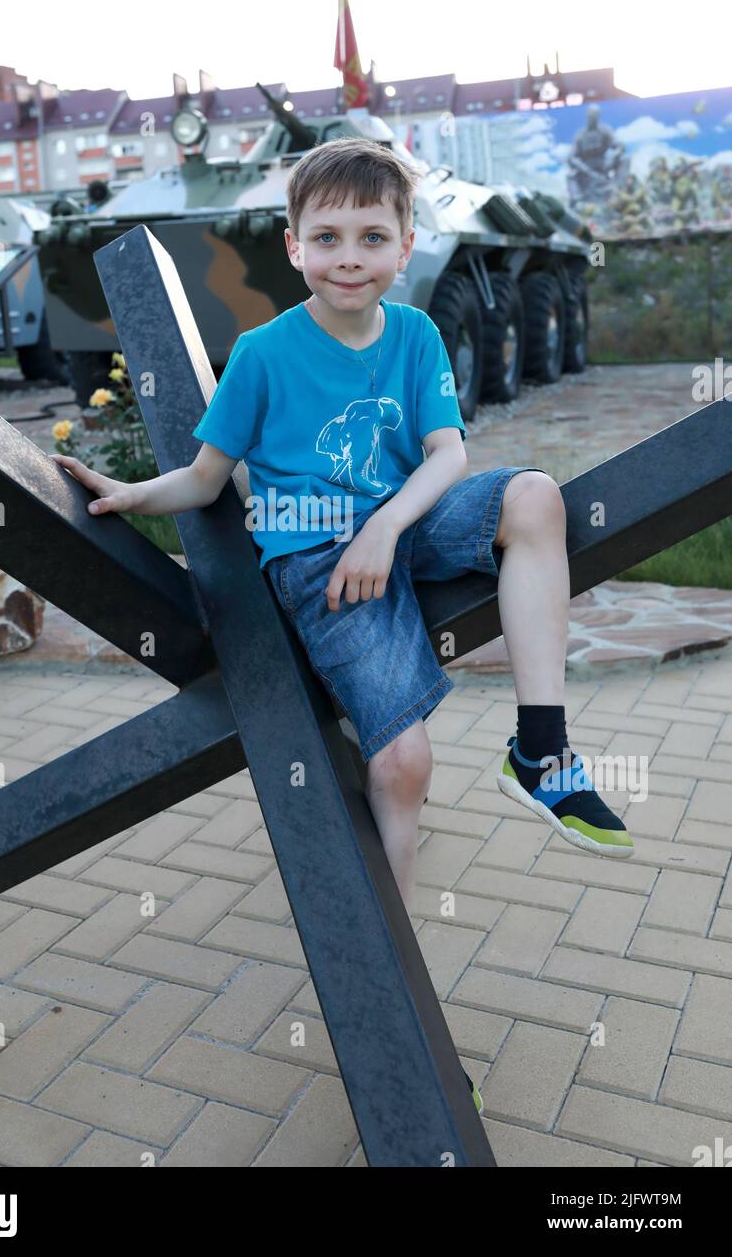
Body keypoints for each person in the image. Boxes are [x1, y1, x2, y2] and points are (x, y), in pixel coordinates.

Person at [50, 137, 634, 1116]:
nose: (349, 255)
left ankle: (541, 748)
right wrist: (124, 492)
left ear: (404, 244)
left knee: (531, 498)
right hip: (316, 554)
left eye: (372, 235)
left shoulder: (409, 335)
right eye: (328, 236)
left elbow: (447, 454)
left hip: (396, 518)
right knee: (401, 762)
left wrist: (390, 523)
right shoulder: (267, 355)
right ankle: (388, 985)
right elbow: (203, 479)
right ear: (292, 246)